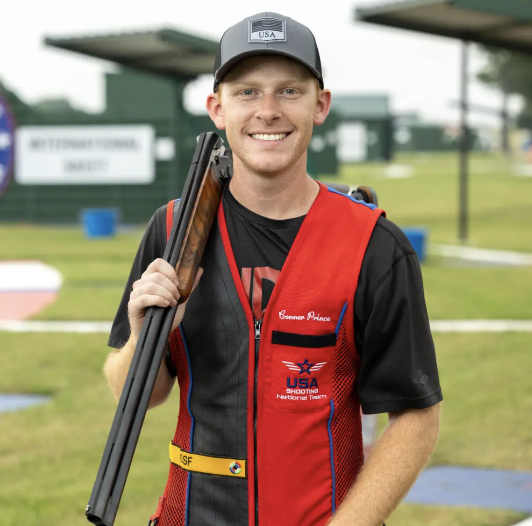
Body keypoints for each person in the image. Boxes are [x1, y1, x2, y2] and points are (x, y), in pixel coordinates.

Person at [103, 11, 443, 526]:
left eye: (289, 91)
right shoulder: (173, 228)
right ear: (217, 108)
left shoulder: (374, 244)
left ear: (320, 105)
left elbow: (415, 413)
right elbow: (138, 395)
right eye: (246, 92)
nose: (267, 111)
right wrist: (142, 334)